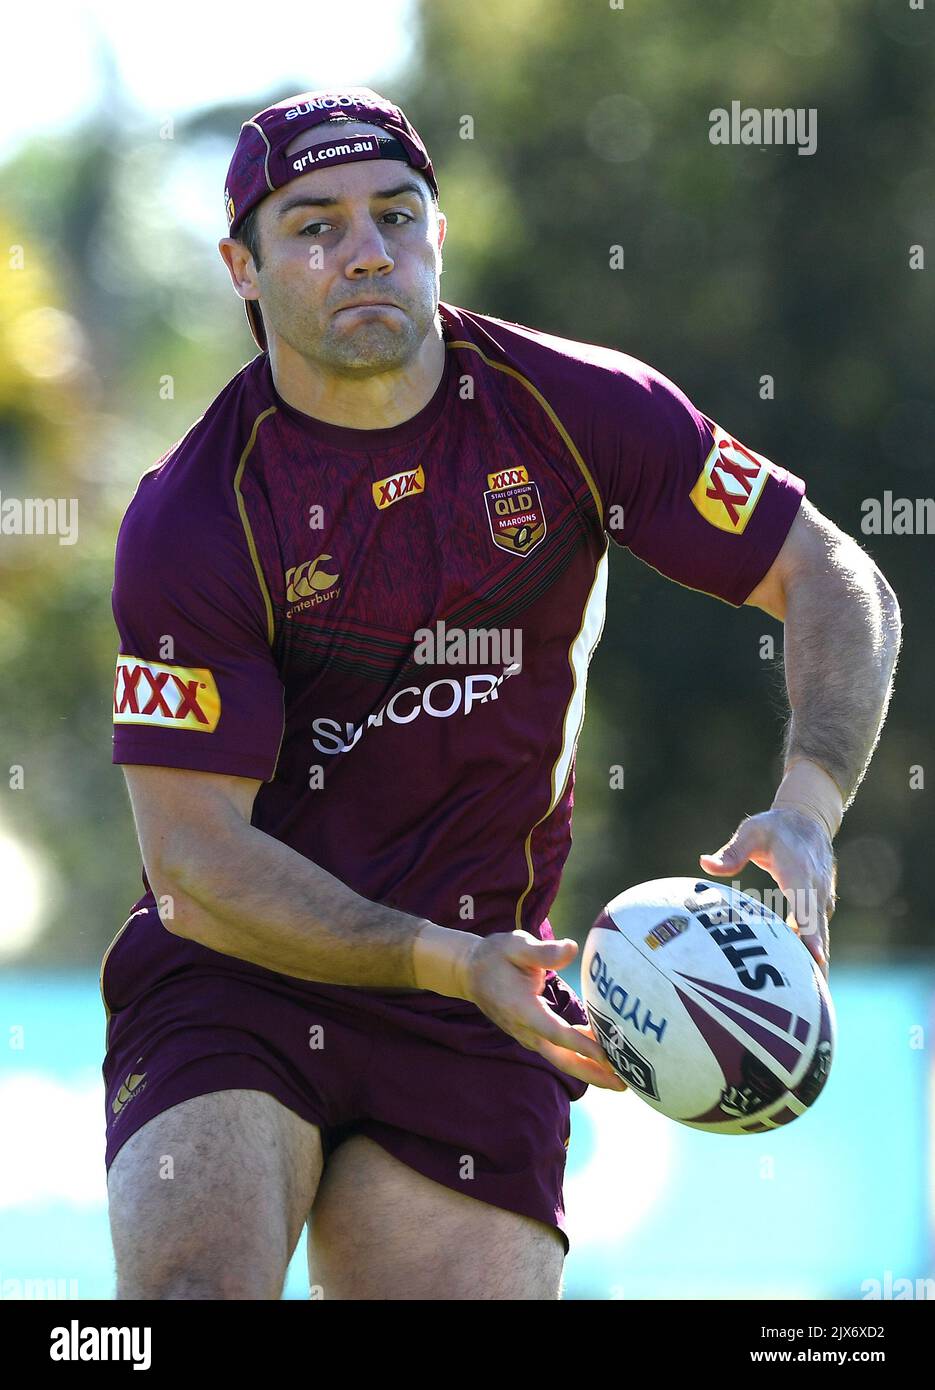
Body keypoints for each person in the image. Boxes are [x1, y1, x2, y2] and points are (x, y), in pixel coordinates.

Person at [103, 87, 901, 1300]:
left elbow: (833, 576)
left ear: (438, 233)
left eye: (397, 214)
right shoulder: (193, 513)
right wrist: (438, 956)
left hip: (491, 994)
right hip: (241, 976)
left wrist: (805, 802)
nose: (365, 249)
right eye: (313, 226)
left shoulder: (574, 410)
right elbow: (195, 867)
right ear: (242, 268)